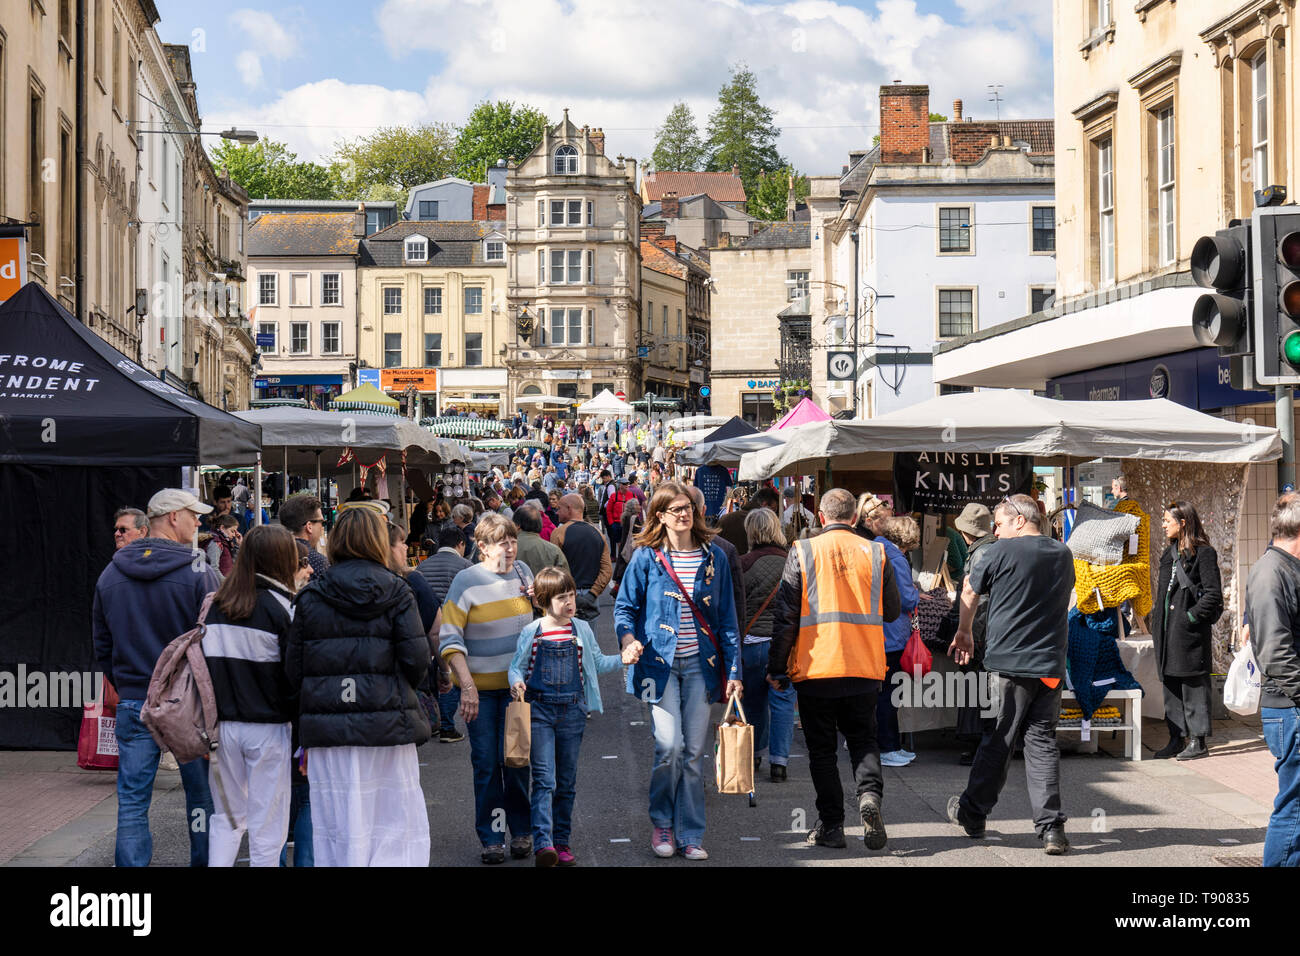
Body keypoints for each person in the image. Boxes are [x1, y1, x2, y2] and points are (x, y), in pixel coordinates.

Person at [284, 505, 431, 866]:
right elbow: (416, 661)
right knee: (393, 823)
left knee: (338, 824)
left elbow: (294, 671)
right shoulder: (398, 592)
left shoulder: (311, 597)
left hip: (329, 730)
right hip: (388, 725)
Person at [614, 481, 742, 861]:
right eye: (675, 509)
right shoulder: (646, 557)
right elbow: (624, 609)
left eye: (688, 507)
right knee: (670, 746)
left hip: (702, 666)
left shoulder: (714, 557)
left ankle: (691, 833)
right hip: (661, 665)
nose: (684, 514)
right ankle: (662, 823)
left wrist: (734, 671)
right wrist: (627, 640)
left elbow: (728, 621)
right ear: (659, 516)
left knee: (693, 752)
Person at [767, 488, 901, 851]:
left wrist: (776, 668)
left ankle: (832, 824)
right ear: (855, 518)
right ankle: (869, 797)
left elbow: (785, 618)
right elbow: (891, 611)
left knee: (822, 751)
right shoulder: (876, 552)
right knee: (863, 740)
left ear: (822, 518)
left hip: (816, 668)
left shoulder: (803, 550)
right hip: (863, 666)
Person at [92, 488, 220, 867]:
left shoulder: (111, 571)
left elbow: (102, 641)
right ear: (172, 518)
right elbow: (215, 636)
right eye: (193, 514)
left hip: (135, 700)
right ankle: (204, 861)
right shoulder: (199, 568)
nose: (199, 522)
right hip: (188, 703)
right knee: (200, 797)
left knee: (132, 800)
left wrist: (125, 682)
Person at [946, 494, 1075, 856]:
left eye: (999, 524)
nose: (995, 531)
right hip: (1049, 665)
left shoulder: (996, 553)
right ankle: (1051, 829)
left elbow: (970, 589)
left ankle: (973, 813)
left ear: (1019, 520)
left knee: (999, 739)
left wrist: (964, 631)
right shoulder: (1062, 553)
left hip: (1008, 663)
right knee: (1042, 743)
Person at [508, 567, 635, 866]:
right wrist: (516, 681)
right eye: (561, 597)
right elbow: (516, 665)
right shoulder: (533, 631)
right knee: (544, 779)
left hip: (573, 713)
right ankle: (544, 844)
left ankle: (561, 842)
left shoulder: (581, 629)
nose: (569, 602)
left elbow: (599, 664)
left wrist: (624, 659)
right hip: (538, 711)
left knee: (565, 782)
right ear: (543, 600)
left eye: (571, 595)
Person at [439, 512, 537, 864]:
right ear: (481, 546)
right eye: (501, 543)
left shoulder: (524, 573)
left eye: (512, 541)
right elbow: (449, 639)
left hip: (517, 693)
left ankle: (522, 831)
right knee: (485, 764)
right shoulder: (466, 581)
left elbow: (540, 626)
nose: (510, 548)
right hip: (479, 694)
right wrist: (466, 686)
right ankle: (492, 837)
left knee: (516, 761)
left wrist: (539, 599)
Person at [202, 524, 298, 867]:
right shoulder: (284, 609)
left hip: (222, 728)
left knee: (226, 818)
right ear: (283, 560)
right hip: (269, 729)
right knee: (267, 825)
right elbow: (294, 678)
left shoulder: (215, 606)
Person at [1246, 492, 1300, 866]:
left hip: (1291, 705)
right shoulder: (1271, 571)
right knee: (1294, 810)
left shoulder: (1284, 568)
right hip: (1290, 708)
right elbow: (1275, 652)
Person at [1151, 501, 1224, 760]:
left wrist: (1190, 617)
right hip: (1166, 631)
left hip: (1188, 632)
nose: (1163, 525)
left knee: (1193, 685)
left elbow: (1213, 594)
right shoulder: (1168, 553)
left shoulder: (1204, 553)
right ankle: (1176, 738)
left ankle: (1198, 740)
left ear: (1183, 523)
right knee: (1170, 684)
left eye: (1167, 521)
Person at [739, 507, 796, 783]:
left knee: (753, 702)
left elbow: (736, 609)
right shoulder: (791, 562)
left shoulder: (743, 563)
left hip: (750, 644)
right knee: (783, 701)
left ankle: (755, 755)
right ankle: (780, 763)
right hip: (784, 645)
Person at [417, 526, 473, 743]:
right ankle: (447, 726)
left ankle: (432, 720)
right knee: (449, 675)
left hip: (423, 628)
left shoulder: (422, 566)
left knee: (431, 677)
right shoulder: (466, 567)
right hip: (452, 627)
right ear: (460, 544)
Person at [874, 515, 921, 767]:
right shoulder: (896, 558)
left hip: (877, 631)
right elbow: (906, 598)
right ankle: (889, 747)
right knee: (889, 695)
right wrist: (915, 592)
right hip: (892, 633)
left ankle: (889, 745)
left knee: (882, 693)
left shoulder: (875, 549)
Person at [552, 493, 612, 622]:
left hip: (567, 596)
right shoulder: (597, 533)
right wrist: (592, 595)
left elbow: (555, 570)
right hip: (590, 596)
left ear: (569, 509)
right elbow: (606, 570)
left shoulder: (558, 533)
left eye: (559, 508)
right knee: (590, 639)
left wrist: (572, 594)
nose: (557, 512)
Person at [515, 505, 570, 587]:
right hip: (547, 595)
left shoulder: (507, 549)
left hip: (516, 597)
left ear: (518, 525)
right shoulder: (554, 550)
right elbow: (566, 580)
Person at [280, 494, 329, 578]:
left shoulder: (274, 555)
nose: (322, 527)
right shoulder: (319, 562)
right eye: (321, 522)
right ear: (309, 526)